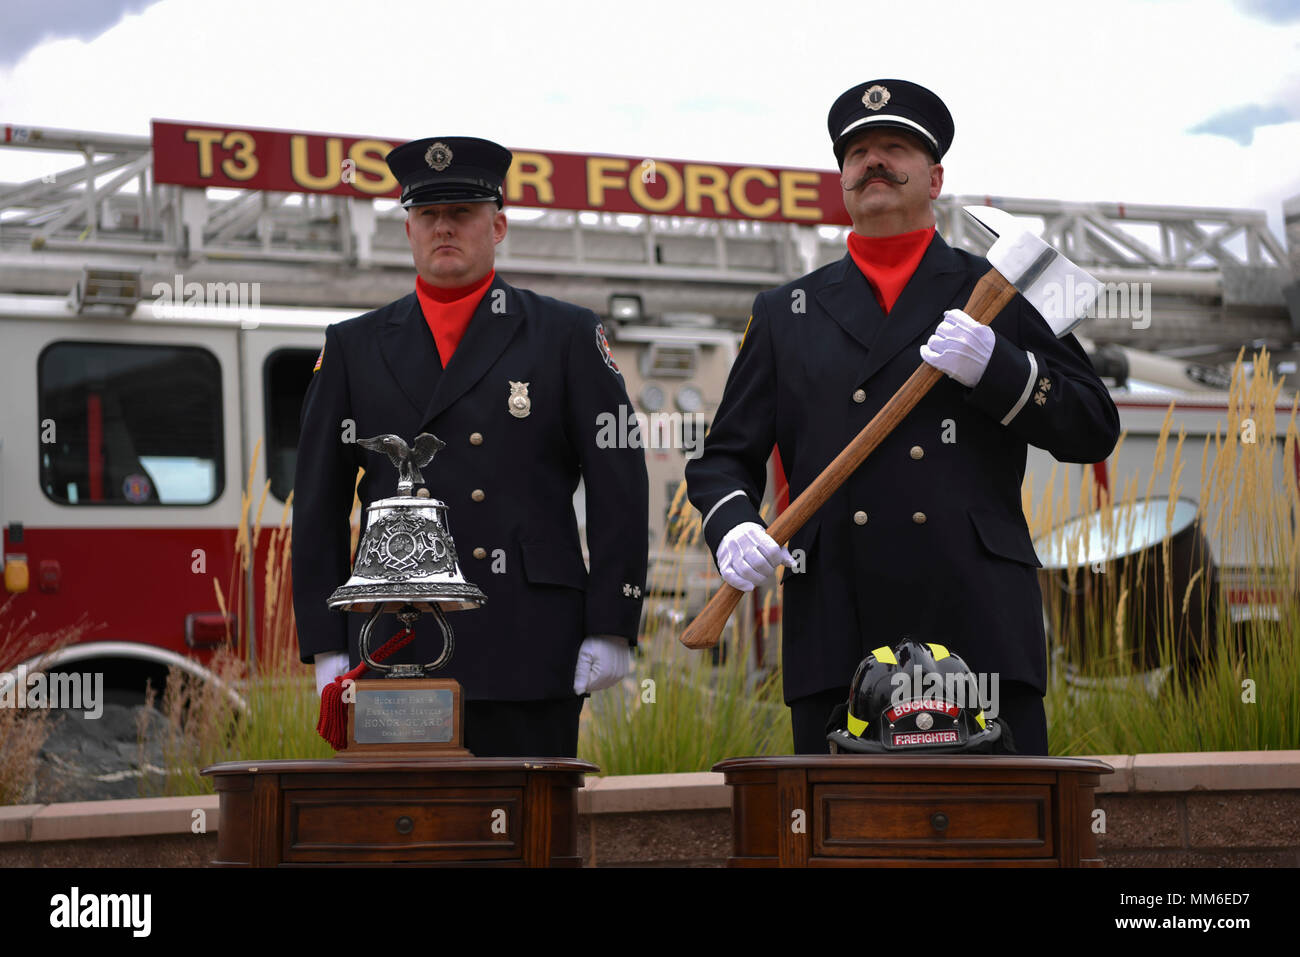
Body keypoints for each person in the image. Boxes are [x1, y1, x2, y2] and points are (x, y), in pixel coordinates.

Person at [685, 81, 1120, 755]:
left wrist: (998, 368)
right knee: (842, 841)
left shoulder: (1005, 290)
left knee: (999, 838)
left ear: (935, 176)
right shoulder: (784, 311)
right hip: (837, 619)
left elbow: (1094, 424)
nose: (874, 162)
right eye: (857, 153)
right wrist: (734, 524)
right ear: (843, 181)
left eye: (895, 147)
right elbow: (723, 458)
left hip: (976, 615)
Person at [292, 136, 649, 758]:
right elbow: (318, 503)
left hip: (529, 634)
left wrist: (613, 623)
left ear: (499, 225)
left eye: (462, 213)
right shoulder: (353, 345)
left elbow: (620, 483)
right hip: (395, 635)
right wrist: (325, 642)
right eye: (427, 215)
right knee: (410, 832)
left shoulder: (566, 334)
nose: (443, 229)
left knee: (531, 836)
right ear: (408, 230)